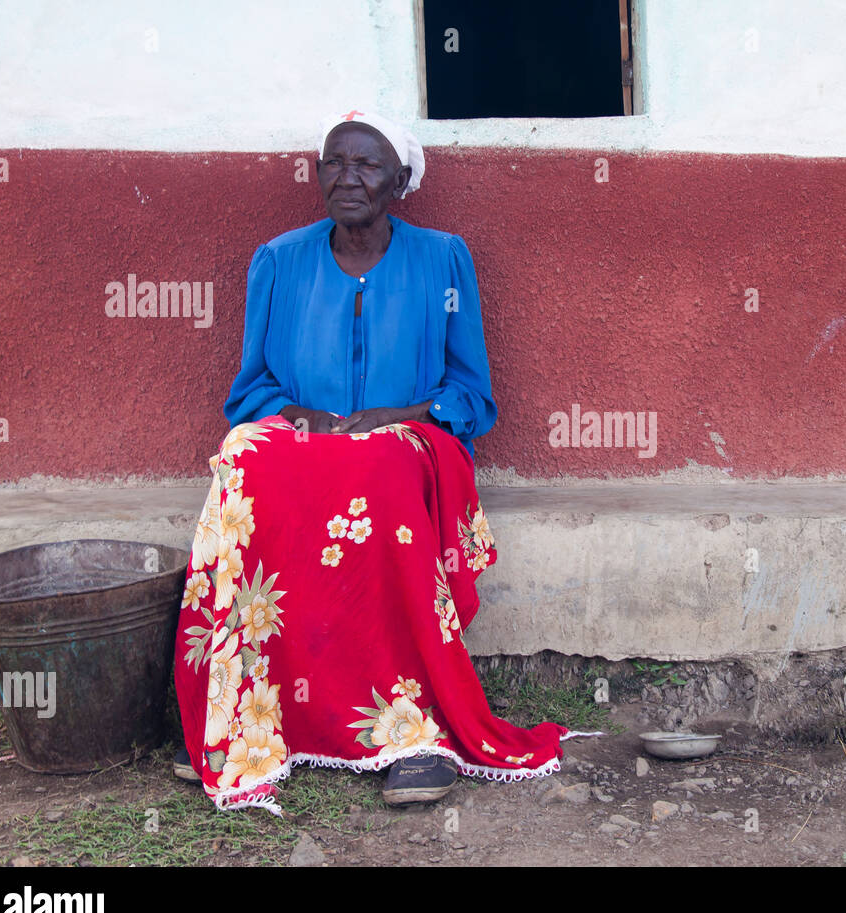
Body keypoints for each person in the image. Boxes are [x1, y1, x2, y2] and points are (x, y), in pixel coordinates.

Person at [171, 111, 573, 813]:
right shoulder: (279, 260)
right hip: (308, 442)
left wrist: (401, 416)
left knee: (382, 468)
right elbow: (250, 389)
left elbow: (471, 392)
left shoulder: (443, 258)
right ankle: (244, 717)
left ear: (400, 181)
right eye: (334, 163)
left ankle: (409, 729)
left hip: (408, 444)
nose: (346, 178)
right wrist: (304, 418)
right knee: (242, 457)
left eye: (366, 165)